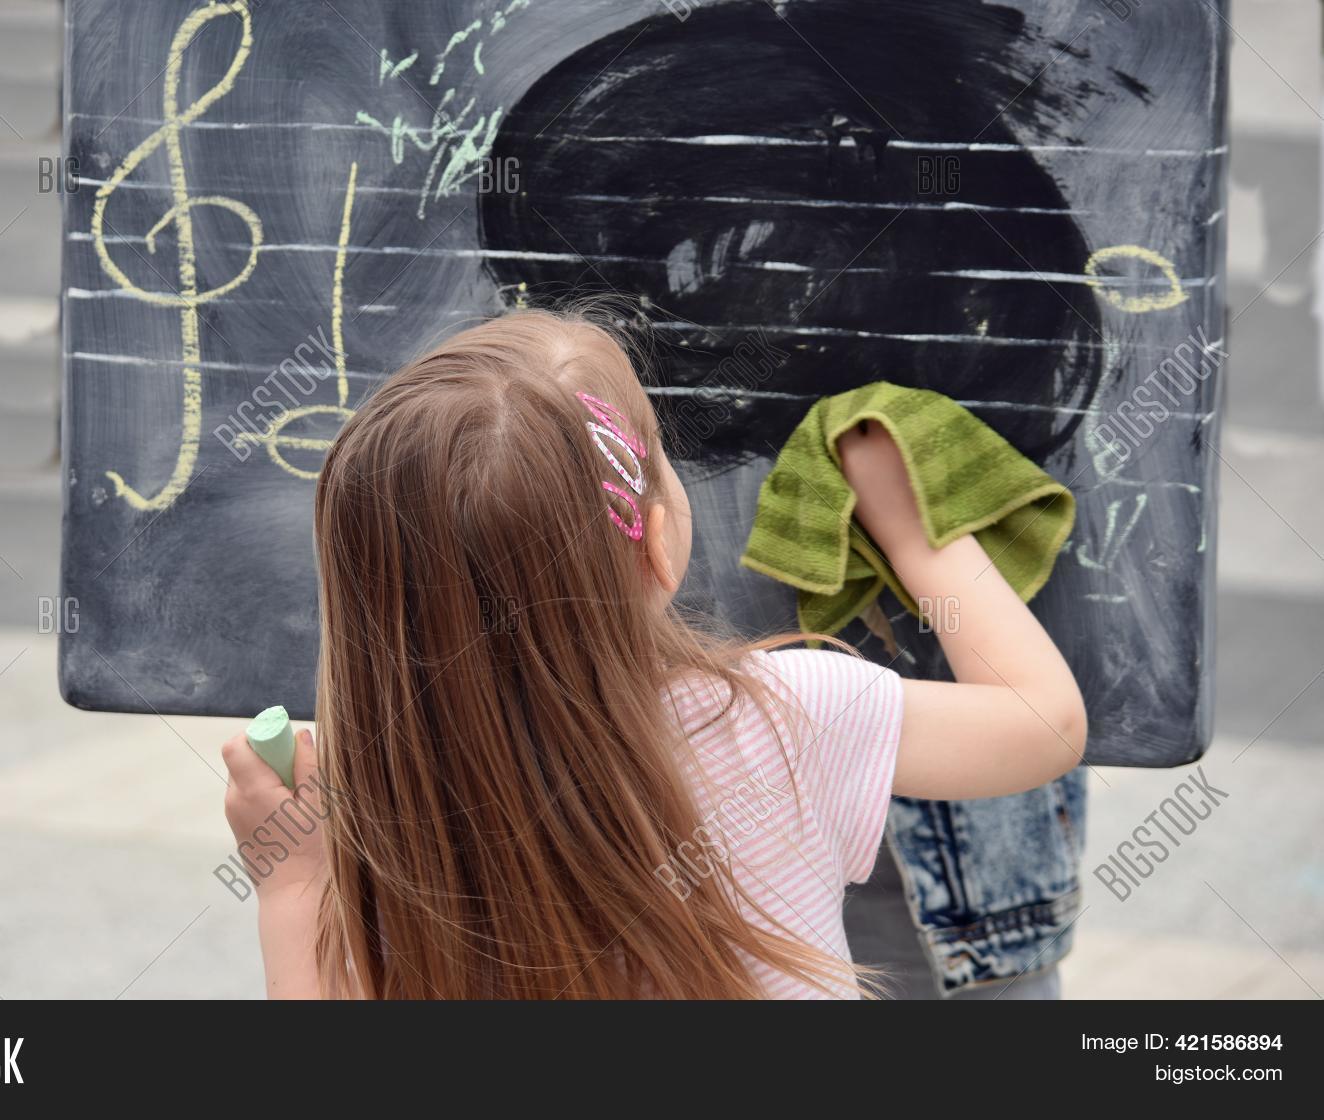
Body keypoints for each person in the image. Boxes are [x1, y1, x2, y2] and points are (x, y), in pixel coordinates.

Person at [219, 309, 1087, 999]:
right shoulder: (784, 716)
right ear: (658, 545)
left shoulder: (388, 827)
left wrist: (294, 887)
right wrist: (916, 530)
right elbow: (1042, 724)